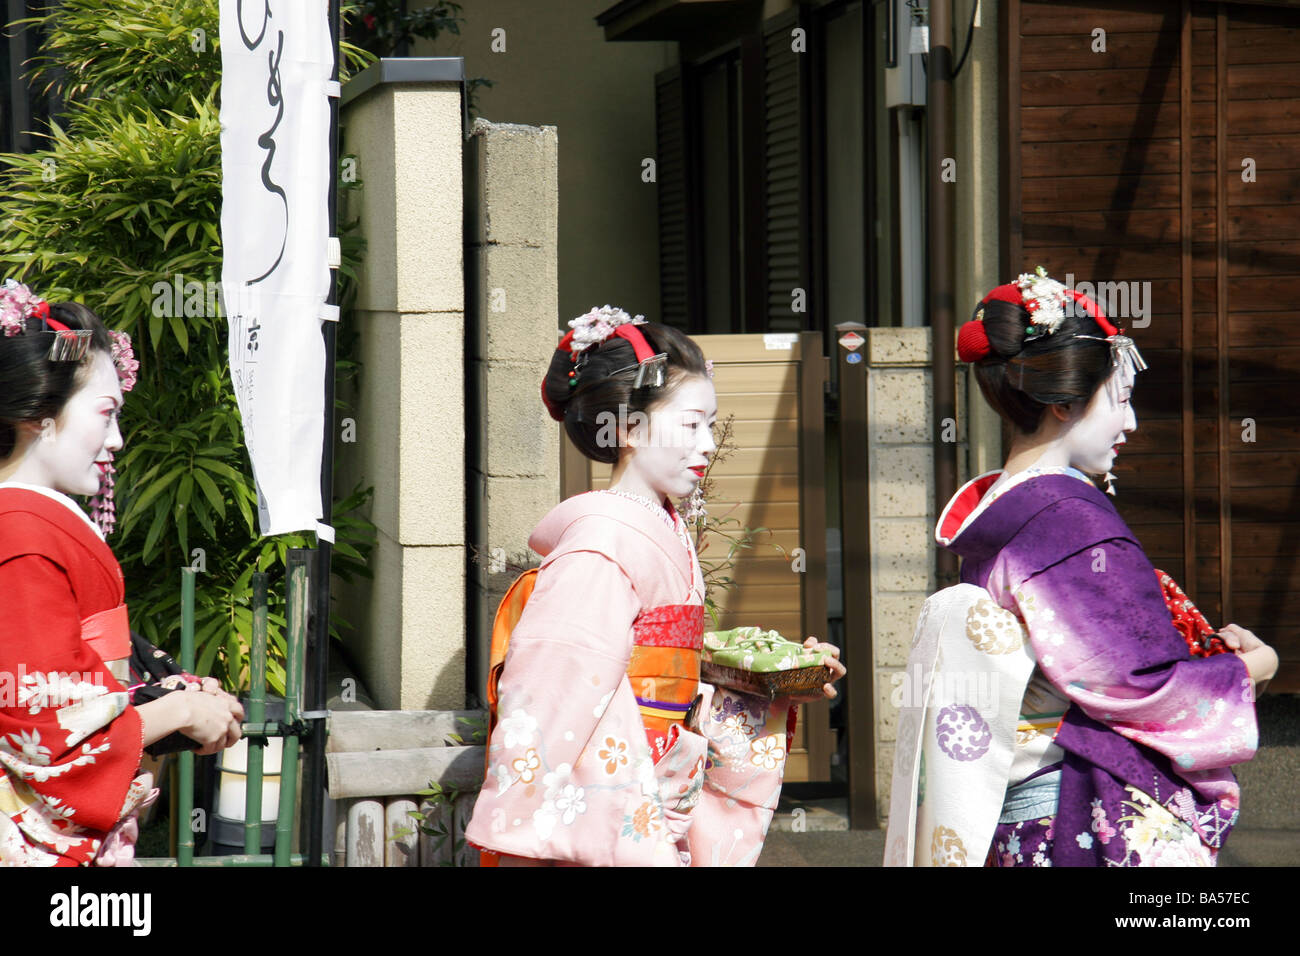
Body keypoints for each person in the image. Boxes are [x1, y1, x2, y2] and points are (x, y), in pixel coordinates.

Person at [885, 269, 1275, 866]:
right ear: (1065, 401)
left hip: (1019, 817)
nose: (1131, 424)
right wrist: (1248, 670)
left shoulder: (1004, 510)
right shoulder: (1068, 519)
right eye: (1120, 399)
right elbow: (1138, 685)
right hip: (1079, 808)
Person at [465, 305, 844, 866]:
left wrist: (770, 682)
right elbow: (550, 701)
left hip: (661, 791)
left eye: (711, 424)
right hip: (614, 816)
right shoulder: (601, 543)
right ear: (629, 426)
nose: (709, 444)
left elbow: (669, 681)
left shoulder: (660, 527)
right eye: (692, 425)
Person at [0, 283, 244, 866]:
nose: (117, 440)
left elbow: (75, 682)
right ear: (40, 415)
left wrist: (162, 692)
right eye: (105, 414)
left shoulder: (30, 522)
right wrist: (179, 713)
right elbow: (40, 723)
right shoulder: (21, 533)